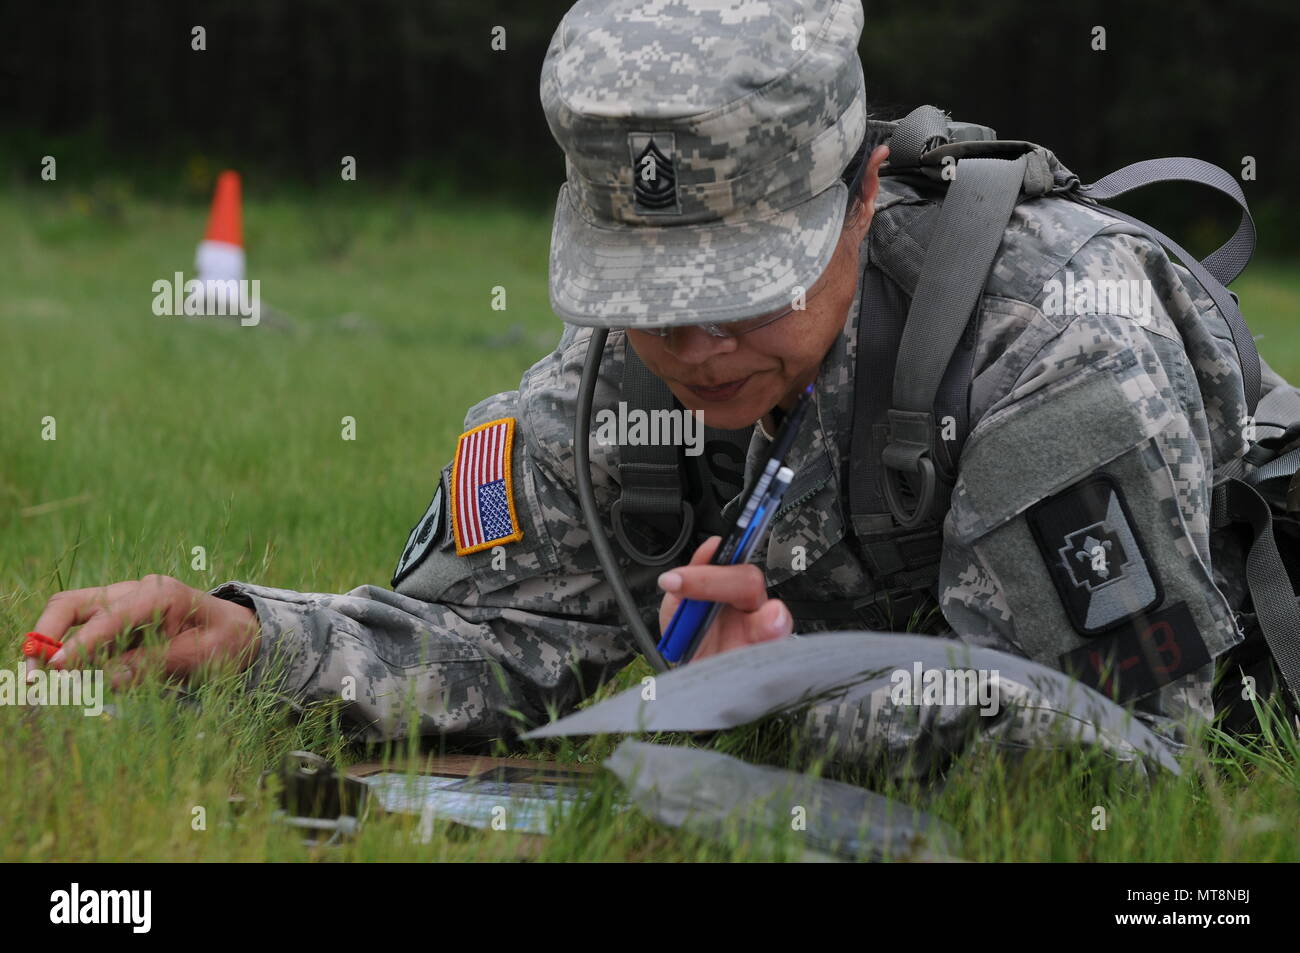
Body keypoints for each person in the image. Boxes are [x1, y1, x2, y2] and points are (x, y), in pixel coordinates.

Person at [27, 0, 1274, 767]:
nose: (698, 345)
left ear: (860, 201)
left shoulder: (1056, 337)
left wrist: (792, 685)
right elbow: (487, 641)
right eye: (649, 295)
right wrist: (250, 640)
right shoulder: (602, 400)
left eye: (745, 287)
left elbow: (1125, 756)